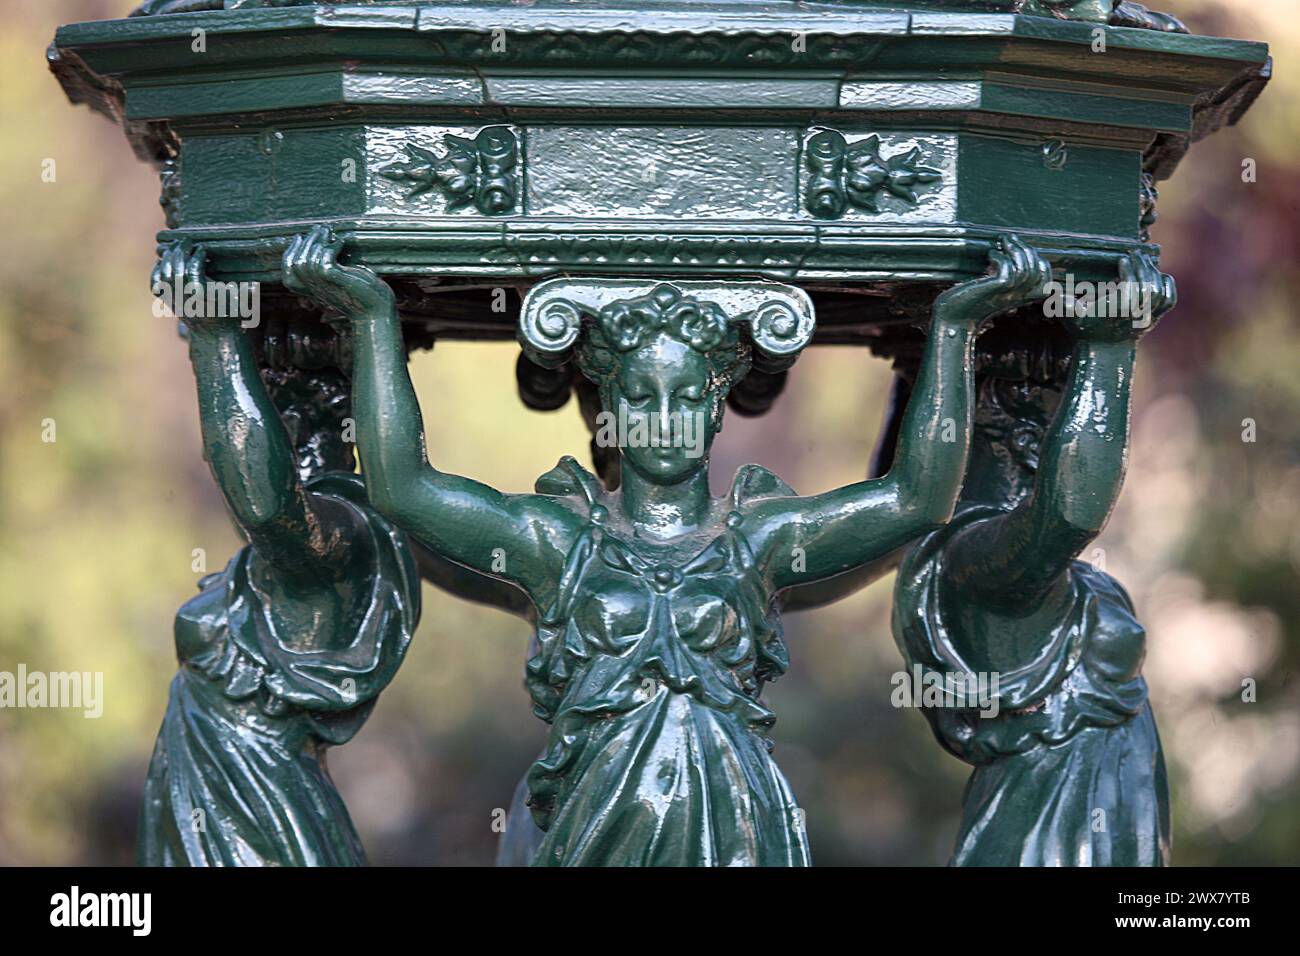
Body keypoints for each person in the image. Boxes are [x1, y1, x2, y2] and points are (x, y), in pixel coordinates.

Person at [284, 224, 1049, 866]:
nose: (664, 416)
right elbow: (405, 489)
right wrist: (371, 320)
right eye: (639, 394)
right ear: (607, 403)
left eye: (687, 396)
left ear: (719, 408)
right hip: (598, 825)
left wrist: (953, 330)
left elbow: (915, 497)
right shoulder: (562, 542)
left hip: (737, 827)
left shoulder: (759, 538)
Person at [139, 243, 420, 866]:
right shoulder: (274, 561)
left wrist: (218, 341)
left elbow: (266, 507)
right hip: (228, 814)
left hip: (255, 823)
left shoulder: (341, 541)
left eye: (236, 400)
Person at [892, 250, 1175, 865]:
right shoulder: (975, 565)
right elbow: (1069, 516)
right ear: (1031, 442)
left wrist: (924, 368)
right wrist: (1107, 350)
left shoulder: (1028, 569)